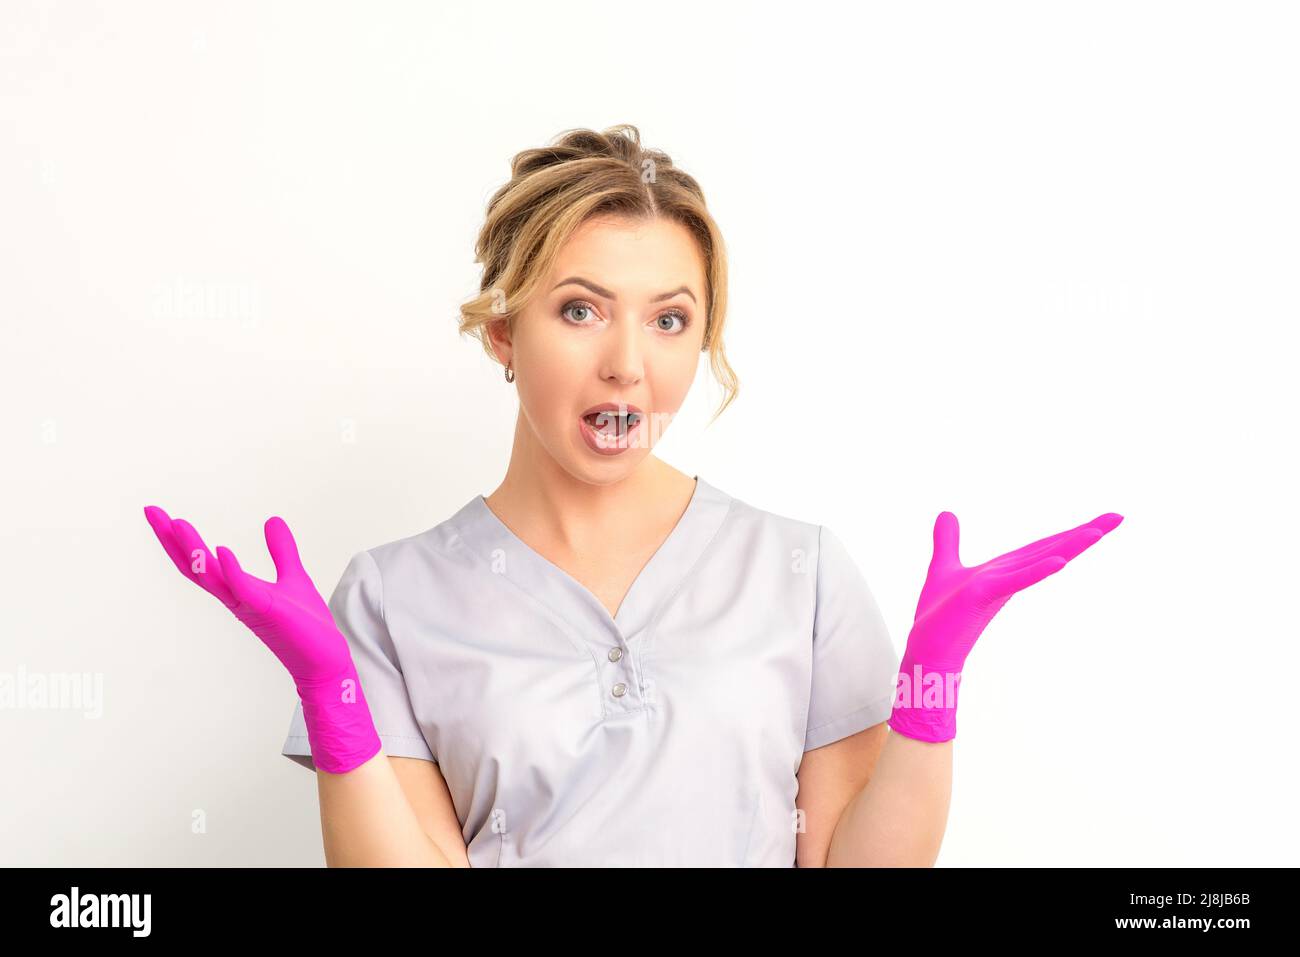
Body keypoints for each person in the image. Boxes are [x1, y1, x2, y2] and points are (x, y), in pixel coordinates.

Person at [143, 124, 1122, 867]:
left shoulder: (800, 571)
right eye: (580, 310)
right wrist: (334, 704)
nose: (626, 364)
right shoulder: (393, 599)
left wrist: (929, 696)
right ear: (500, 331)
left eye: (668, 319)